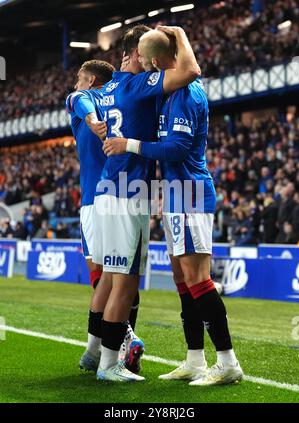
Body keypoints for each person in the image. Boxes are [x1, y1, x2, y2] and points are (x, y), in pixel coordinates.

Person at [103, 26, 243, 386]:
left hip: (191, 192)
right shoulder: (169, 93)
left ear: (152, 62)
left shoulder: (185, 94)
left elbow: (178, 150)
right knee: (182, 280)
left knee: (198, 279)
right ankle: (195, 360)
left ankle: (227, 362)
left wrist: (129, 145)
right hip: (175, 194)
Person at [88, 24, 200, 382]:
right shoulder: (138, 85)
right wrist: (180, 35)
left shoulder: (107, 89)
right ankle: (109, 365)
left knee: (107, 278)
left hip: (106, 189)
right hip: (128, 193)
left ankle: (93, 353)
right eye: (147, 56)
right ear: (135, 54)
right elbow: (190, 71)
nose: (154, 64)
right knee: (126, 283)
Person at [66, 60, 144, 376]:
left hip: (94, 201)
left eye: (79, 78)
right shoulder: (121, 99)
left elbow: (79, 99)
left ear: (92, 79)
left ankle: (101, 349)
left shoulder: (83, 99)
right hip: (122, 195)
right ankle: (116, 344)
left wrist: (91, 120)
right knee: (122, 278)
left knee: (104, 276)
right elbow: (82, 100)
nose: (75, 84)